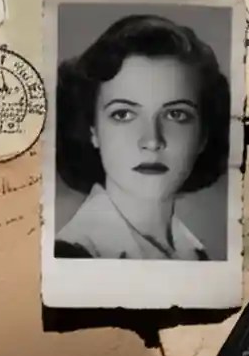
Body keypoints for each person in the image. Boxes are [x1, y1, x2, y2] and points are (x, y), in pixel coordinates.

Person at [53, 13, 231, 260]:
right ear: (92, 129)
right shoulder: (70, 253)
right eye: (123, 114)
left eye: (176, 114)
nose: (152, 140)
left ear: (203, 134)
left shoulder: (195, 253)